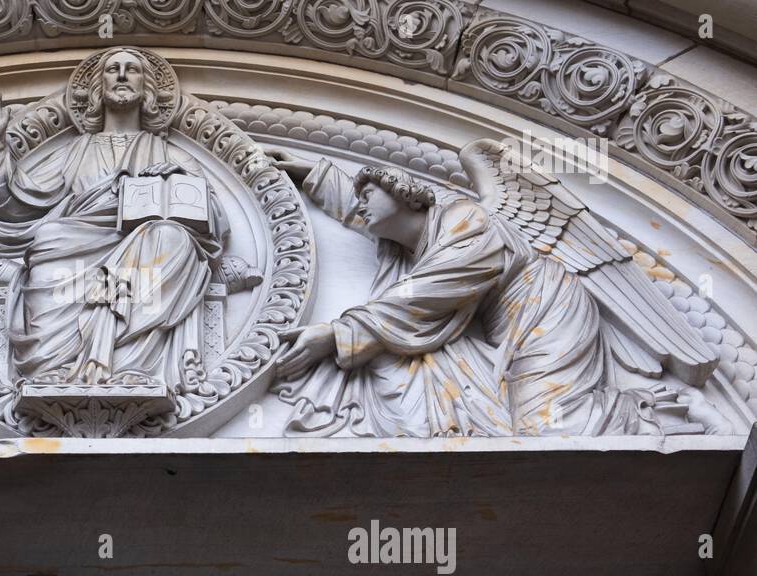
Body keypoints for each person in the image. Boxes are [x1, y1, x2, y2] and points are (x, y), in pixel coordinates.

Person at [269, 154, 661, 437]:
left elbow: (432, 290)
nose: (360, 204)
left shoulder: (465, 219)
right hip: (499, 327)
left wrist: (341, 333)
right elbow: (362, 217)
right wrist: (315, 176)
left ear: (404, 193)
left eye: (368, 192)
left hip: (544, 308)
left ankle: (643, 411)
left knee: (546, 429)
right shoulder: (405, 246)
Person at [0, 46, 228, 389]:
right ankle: (53, 365)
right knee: (47, 237)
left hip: (144, 247)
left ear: (147, 88)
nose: (120, 75)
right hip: (72, 245)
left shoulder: (170, 152)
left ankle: (134, 364)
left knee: (171, 237)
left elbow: (214, 216)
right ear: (97, 86)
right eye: (112, 69)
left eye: (131, 69)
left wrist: (176, 180)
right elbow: (15, 203)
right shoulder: (75, 150)